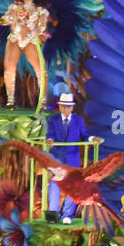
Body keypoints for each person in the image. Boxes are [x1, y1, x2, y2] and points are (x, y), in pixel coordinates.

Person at [45, 91, 92, 221]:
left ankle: (67, 215)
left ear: (72, 107)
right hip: (57, 157)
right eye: (63, 106)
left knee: (73, 186)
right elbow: (50, 134)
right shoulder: (53, 120)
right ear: (60, 107)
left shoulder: (78, 120)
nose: (66, 109)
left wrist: (92, 138)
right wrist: (49, 140)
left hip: (72, 158)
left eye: (68, 106)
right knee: (55, 185)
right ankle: (53, 214)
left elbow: (85, 135)